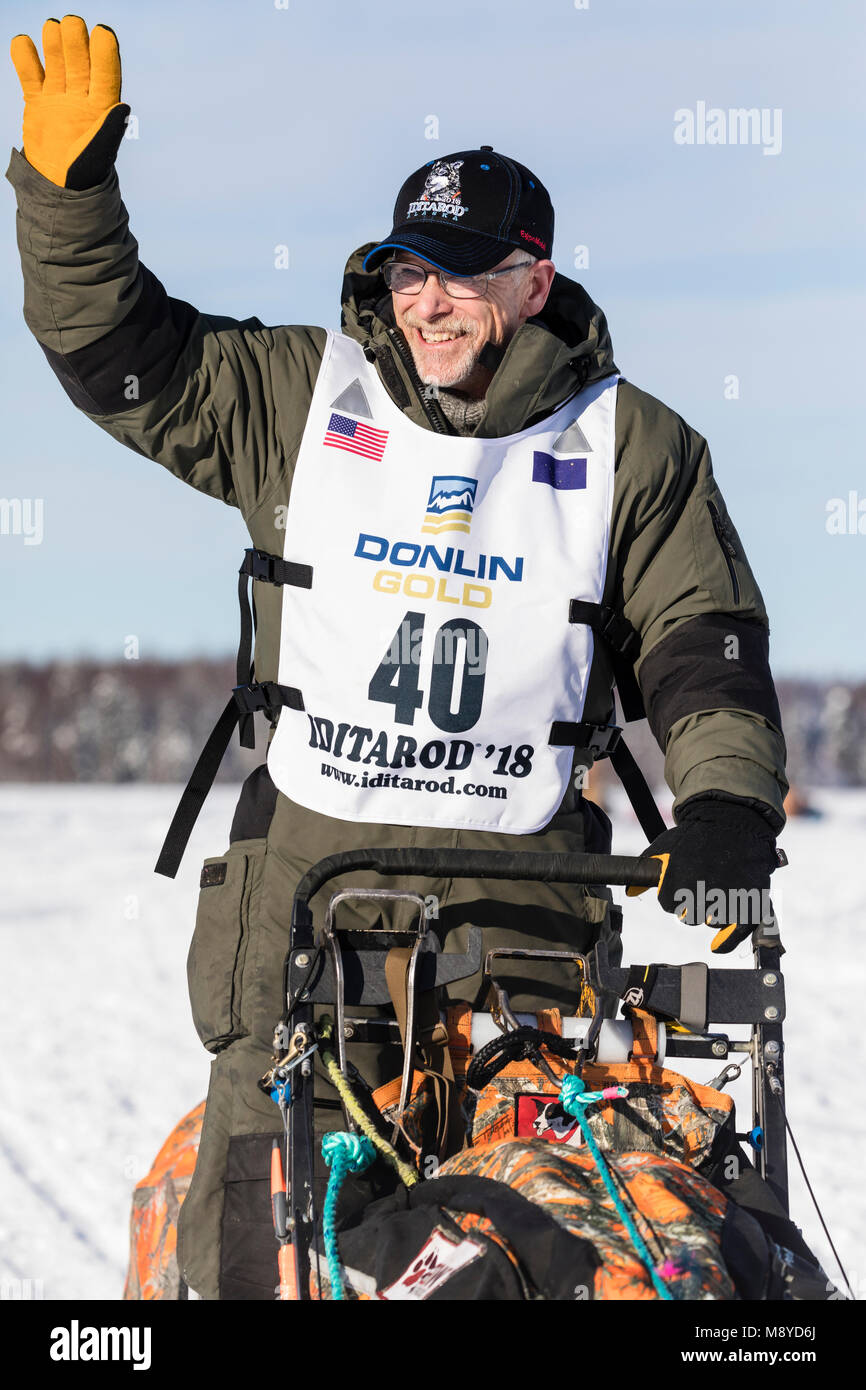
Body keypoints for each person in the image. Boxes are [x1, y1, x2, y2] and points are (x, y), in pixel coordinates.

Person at [8, 17, 788, 1300]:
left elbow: (703, 647)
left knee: (536, 1235)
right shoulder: (298, 399)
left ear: (535, 281)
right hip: (309, 901)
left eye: (465, 274)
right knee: (266, 1238)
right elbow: (118, 354)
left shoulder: (632, 447)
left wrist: (722, 805)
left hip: (531, 909)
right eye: (409, 269)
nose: (429, 301)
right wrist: (68, 194)